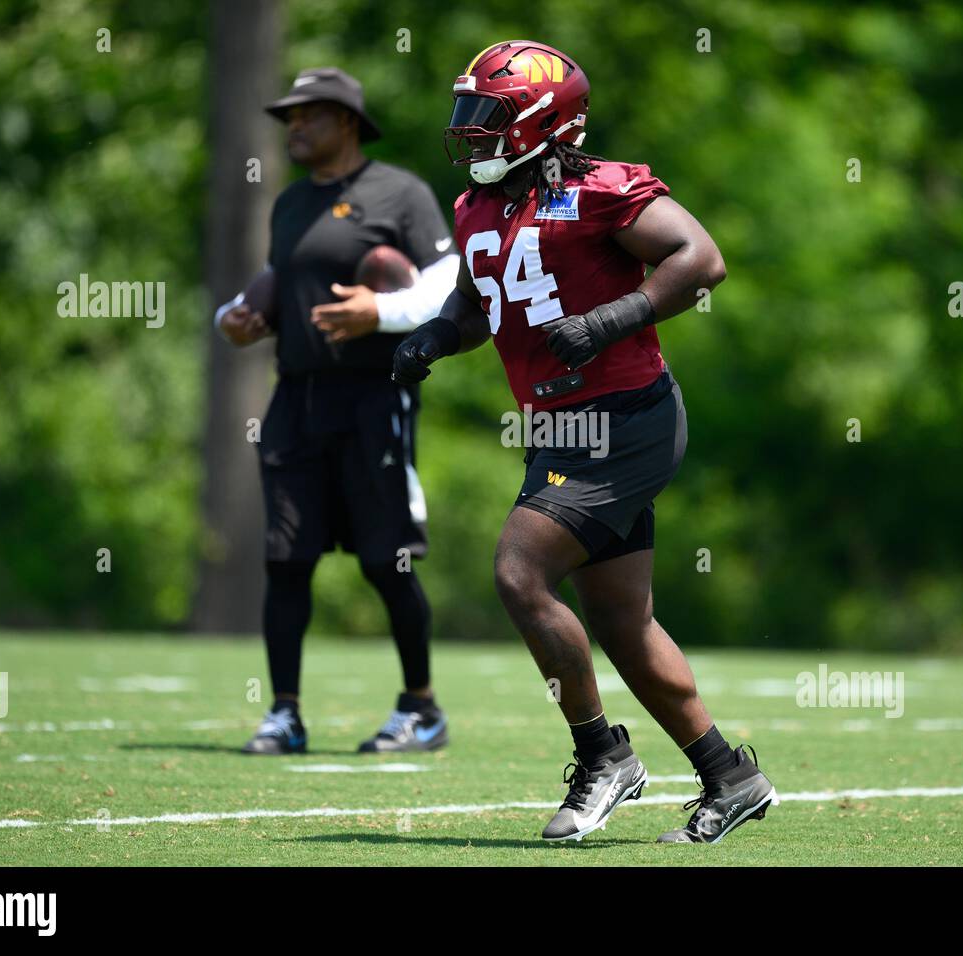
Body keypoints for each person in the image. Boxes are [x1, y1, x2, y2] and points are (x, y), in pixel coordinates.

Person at [392, 41, 777, 843]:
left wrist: (611, 318)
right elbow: (480, 301)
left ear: (542, 121)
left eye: (486, 117)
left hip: (625, 418)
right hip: (559, 427)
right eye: (466, 114)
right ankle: (730, 777)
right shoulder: (476, 208)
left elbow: (700, 257)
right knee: (622, 620)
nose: (468, 133)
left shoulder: (604, 190)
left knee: (519, 570)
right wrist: (434, 335)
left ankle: (603, 756)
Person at [216, 67, 457, 754]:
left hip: (375, 397)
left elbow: (447, 289)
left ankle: (422, 708)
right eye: (288, 117)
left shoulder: (401, 193)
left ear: (347, 120)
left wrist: (376, 312)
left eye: (308, 115)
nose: (293, 127)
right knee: (286, 560)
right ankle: (285, 713)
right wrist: (233, 319)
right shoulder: (290, 203)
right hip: (296, 399)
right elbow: (273, 285)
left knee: (390, 562)